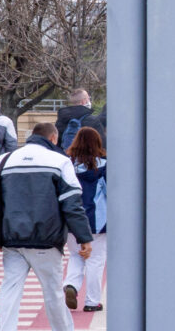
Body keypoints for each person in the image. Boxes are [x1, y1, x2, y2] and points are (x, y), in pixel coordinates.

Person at [0, 122, 93, 331]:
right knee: (53, 292)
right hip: (46, 240)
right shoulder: (59, 162)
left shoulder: (4, 160)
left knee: (10, 288)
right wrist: (84, 237)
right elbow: (72, 204)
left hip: (11, 239)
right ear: (53, 138)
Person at [63, 127, 107, 313]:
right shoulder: (104, 165)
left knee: (75, 255)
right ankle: (92, 301)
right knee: (95, 260)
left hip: (71, 220)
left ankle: (71, 284)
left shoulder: (66, 165)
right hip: (97, 220)